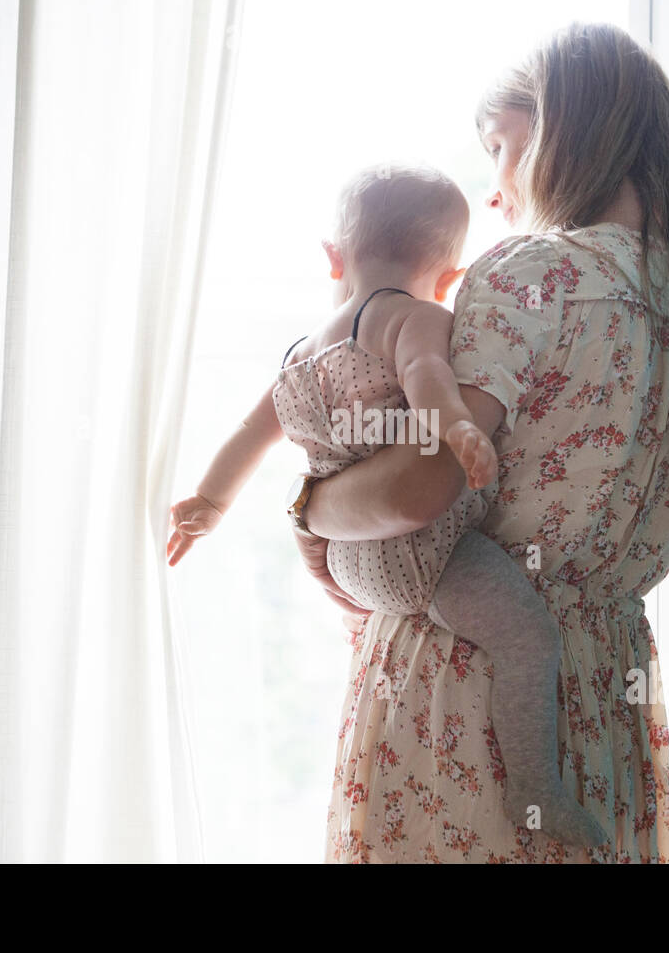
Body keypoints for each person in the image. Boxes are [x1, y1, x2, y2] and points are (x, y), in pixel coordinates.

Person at [293, 21, 669, 862]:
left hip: (464, 688)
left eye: (501, 146)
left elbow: (422, 490)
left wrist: (313, 508)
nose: (493, 187)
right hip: (604, 695)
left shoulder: (535, 274)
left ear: (562, 130)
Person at [167, 163, 607, 846]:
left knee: (363, 608)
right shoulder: (411, 317)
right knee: (528, 635)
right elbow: (428, 377)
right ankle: (536, 792)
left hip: (341, 560)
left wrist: (209, 502)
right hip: (427, 556)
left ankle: (358, 627)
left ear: (334, 257)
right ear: (452, 277)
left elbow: (248, 438)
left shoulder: (297, 355)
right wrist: (459, 428)